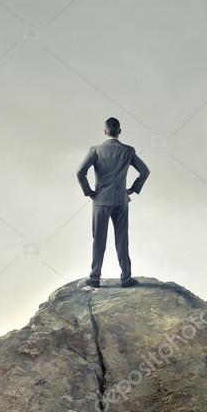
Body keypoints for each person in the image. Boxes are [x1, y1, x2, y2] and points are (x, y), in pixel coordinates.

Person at [76, 117, 150, 288]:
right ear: (120, 132)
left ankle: (94, 278)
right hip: (121, 201)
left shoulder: (95, 150)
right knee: (122, 239)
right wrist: (132, 189)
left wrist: (89, 192)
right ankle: (126, 278)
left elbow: (80, 172)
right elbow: (145, 171)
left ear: (104, 131)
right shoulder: (128, 151)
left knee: (99, 240)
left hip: (101, 201)